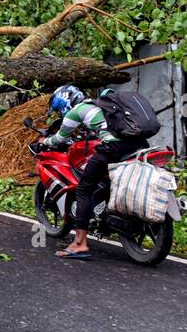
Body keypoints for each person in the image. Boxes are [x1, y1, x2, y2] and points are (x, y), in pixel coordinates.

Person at [38, 85, 148, 260]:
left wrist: (45, 141)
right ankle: (106, 211)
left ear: (63, 103)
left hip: (113, 148)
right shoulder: (103, 106)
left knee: (84, 189)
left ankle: (80, 244)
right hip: (138, 144)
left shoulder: (76, 111)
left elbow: (60, 138)